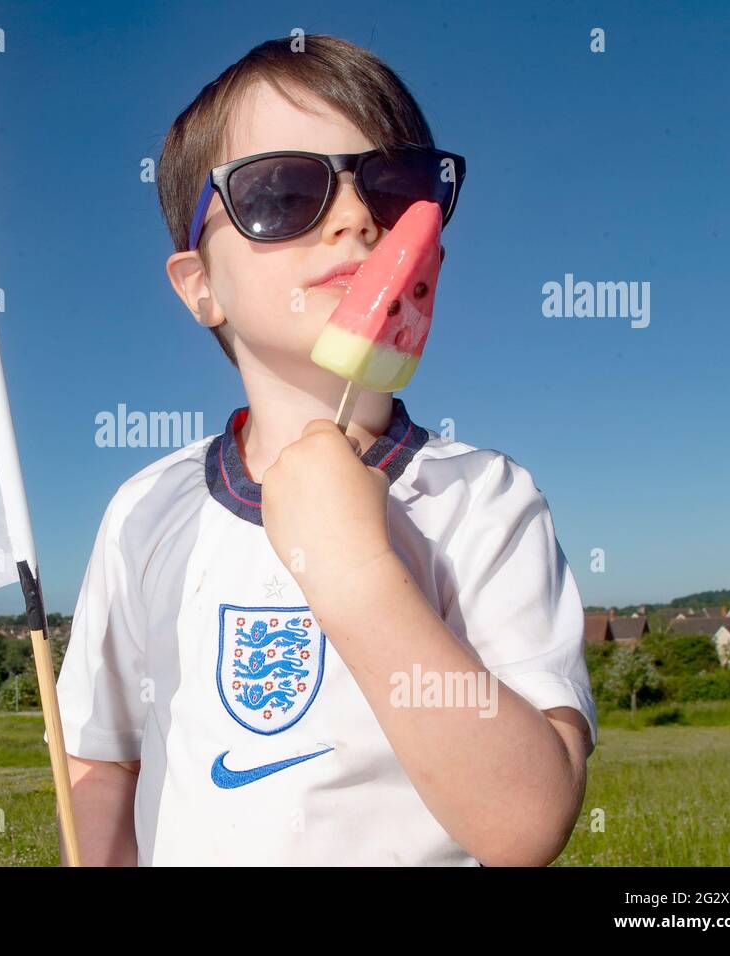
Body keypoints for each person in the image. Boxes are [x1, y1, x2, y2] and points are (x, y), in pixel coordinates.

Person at [49, 34, 597, 866]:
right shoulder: (147, 508)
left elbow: (527, 822)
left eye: (397, 185)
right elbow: (103, 753)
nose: (356, 218)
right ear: (200, 287)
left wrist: (354, 573)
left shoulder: (482, 500)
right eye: (282, 190)